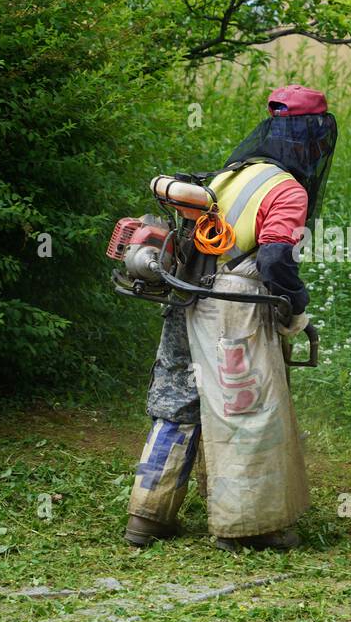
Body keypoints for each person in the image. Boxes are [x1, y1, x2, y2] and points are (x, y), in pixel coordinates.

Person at [124, 85, 336, 552]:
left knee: (176, 404)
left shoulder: (233, 174)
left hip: (187, 296)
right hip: (232, 310)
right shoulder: (286, 189)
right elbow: (278, 260)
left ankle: (147, 517)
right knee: (247, 410)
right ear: (311, 137)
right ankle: (251, 526)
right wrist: (296, 308)